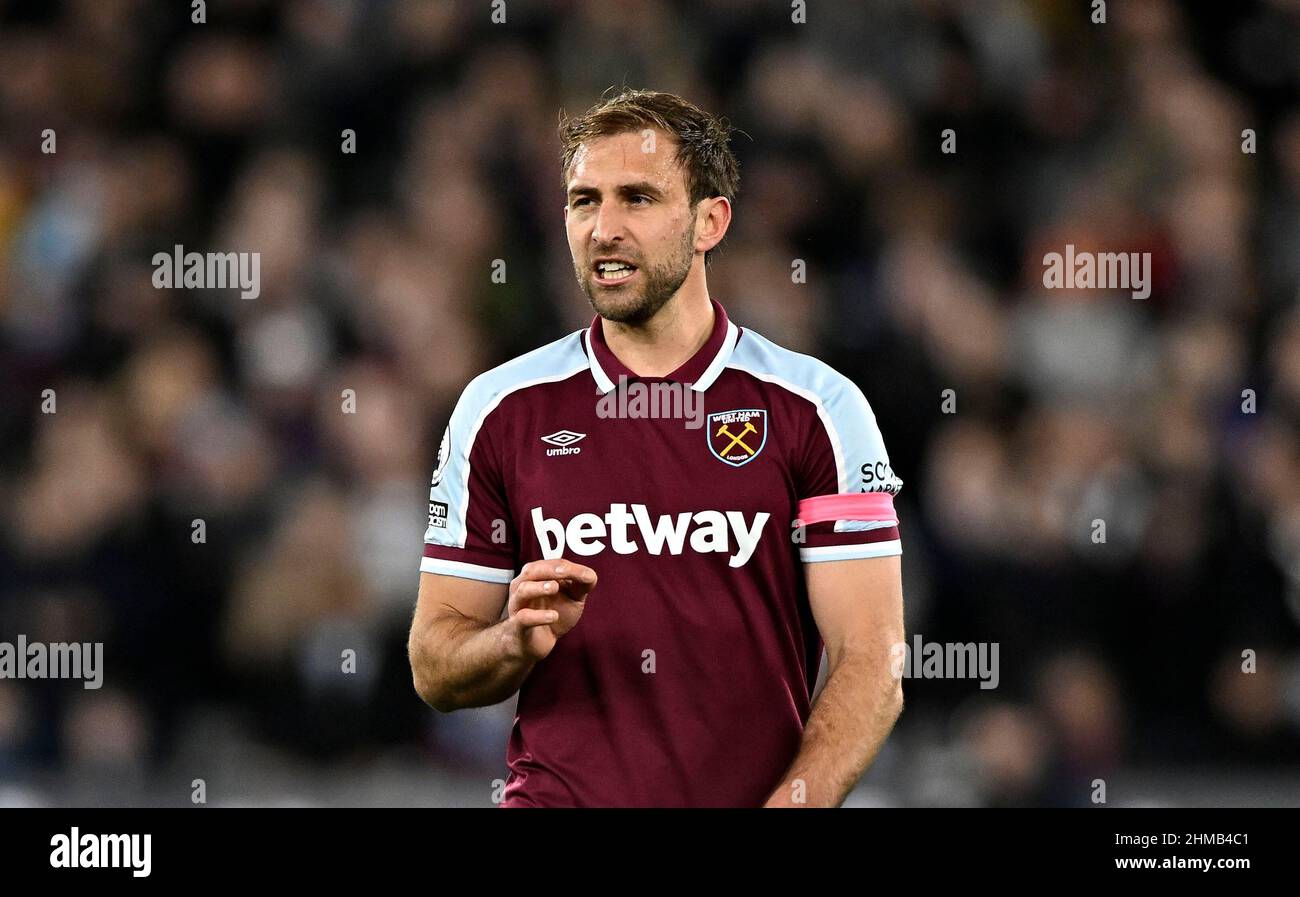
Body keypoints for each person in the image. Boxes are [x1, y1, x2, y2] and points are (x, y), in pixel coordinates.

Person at [408, 89, 906, 807]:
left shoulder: (818, 410)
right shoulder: (499, 409)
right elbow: (434, 663)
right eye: (584, 201)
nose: (603, 228)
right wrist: (511, 641)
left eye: (637, 199)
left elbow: (873, 659)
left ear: (710, 221)